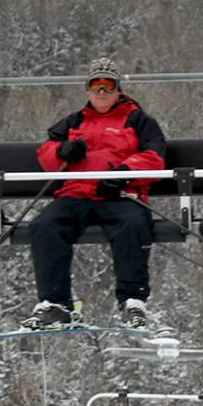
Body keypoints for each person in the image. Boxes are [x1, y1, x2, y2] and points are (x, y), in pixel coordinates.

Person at [27, 57, 169, 332]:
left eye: (108, 84)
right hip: (76, 192)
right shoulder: (73, 122)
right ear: (88, 90)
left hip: (119, 193)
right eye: (95, 85)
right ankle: (56, 304)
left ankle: (133, 301)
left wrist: (123, 173)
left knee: (133, 224)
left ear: (118, 90)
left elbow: (154, 156)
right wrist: (62, 152)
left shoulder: (138, 120)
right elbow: (46, 154)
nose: (101, 91)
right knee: (45, 226)